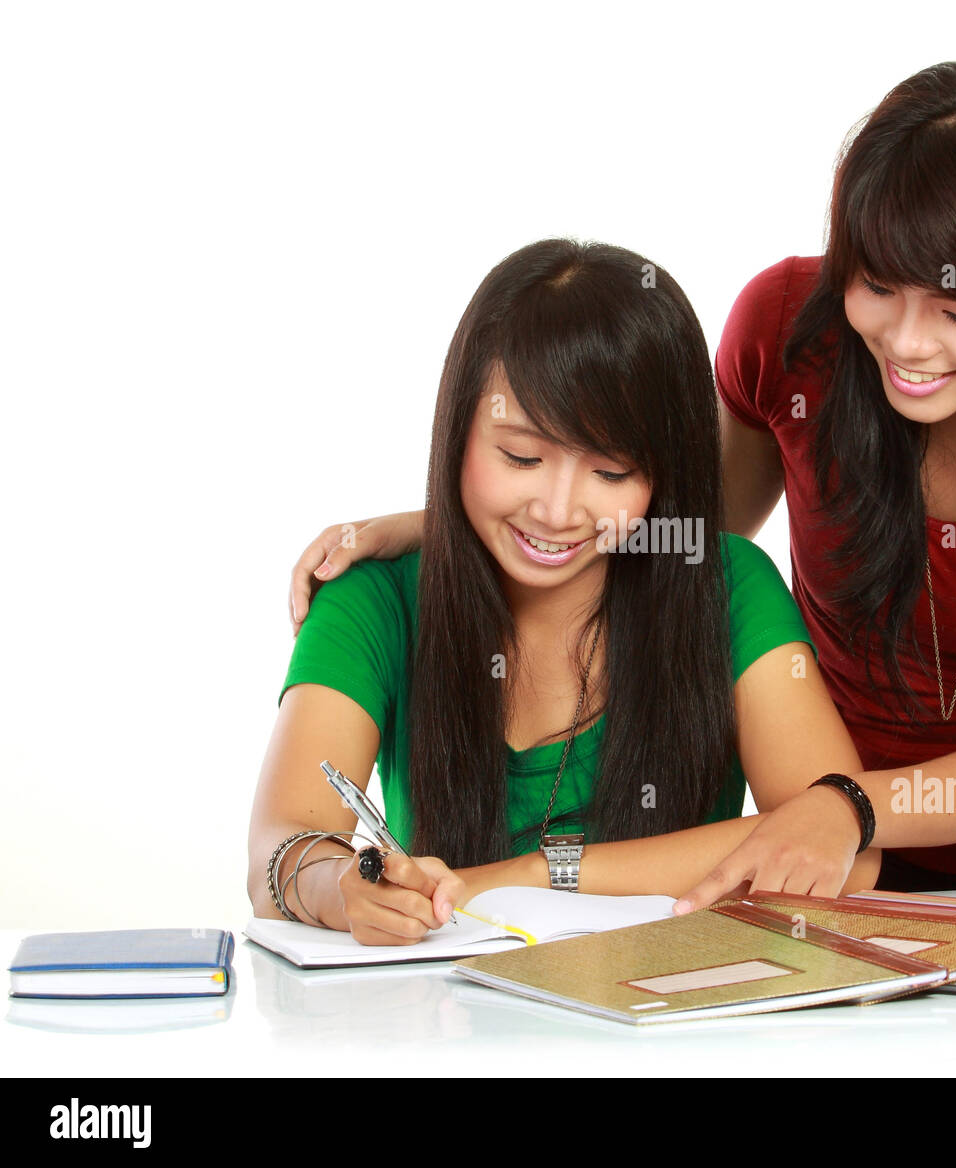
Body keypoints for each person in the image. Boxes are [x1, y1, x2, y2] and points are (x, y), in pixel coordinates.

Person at [286, 57, 956, 913]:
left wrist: (843, 806)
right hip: (825, 851)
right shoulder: (791, 334)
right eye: (877, 283)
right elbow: (669, 542)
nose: (906, 340)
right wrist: (460, 524)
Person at [249, 238, 879, 946]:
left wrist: (538, 872)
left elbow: (843, 852)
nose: (557, 510)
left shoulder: (727, 589)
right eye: (521, 456)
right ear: (457, 430)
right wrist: (340, 886)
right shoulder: (373, 595)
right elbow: (281, 843)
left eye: (610, 474)